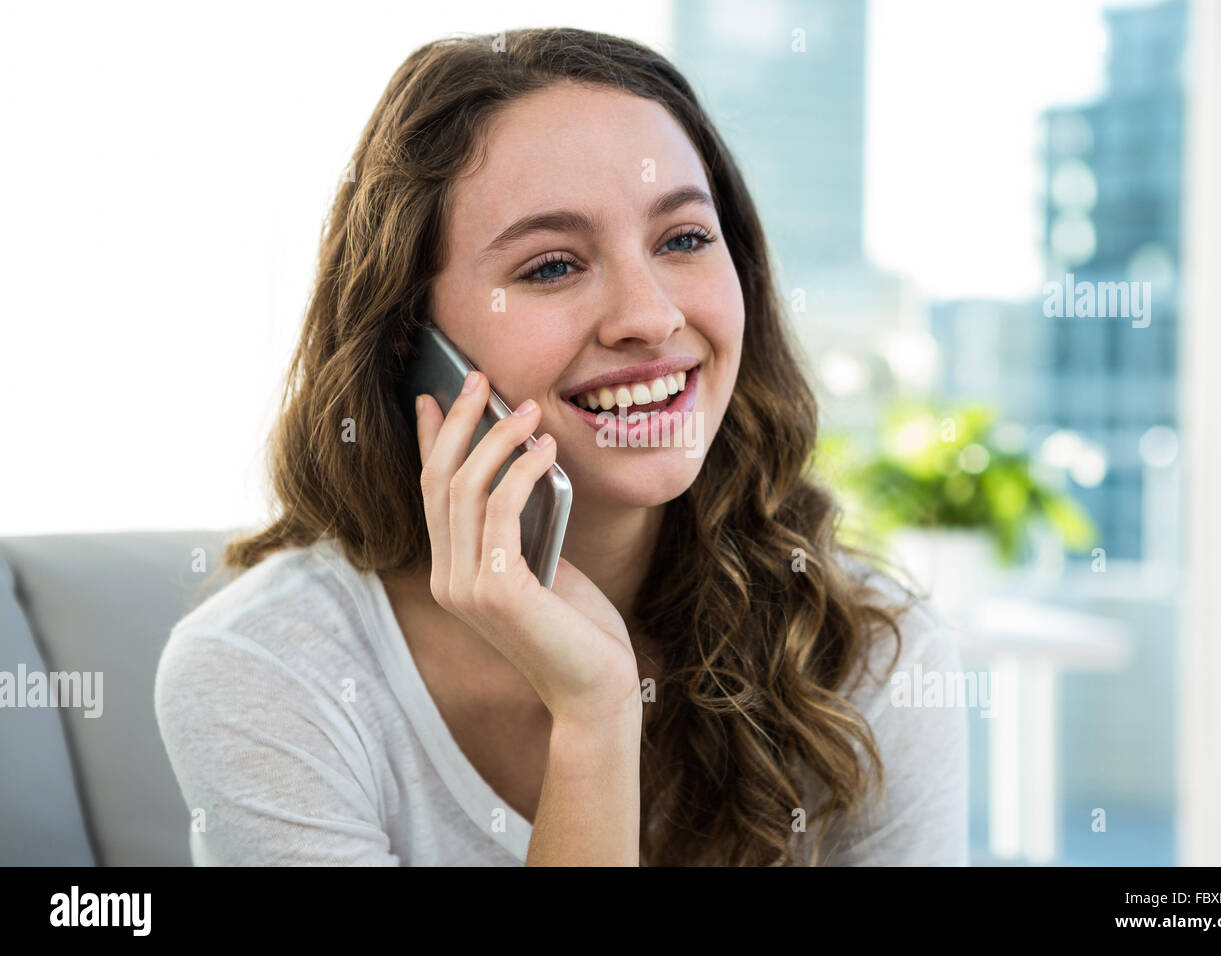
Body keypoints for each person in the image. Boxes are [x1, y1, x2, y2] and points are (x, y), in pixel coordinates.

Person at [154, 26, 969, 866]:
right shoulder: (268, 671)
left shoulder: (865, 649)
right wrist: (596, 716)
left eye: (683, 239)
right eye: (551, 267)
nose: (650, 317)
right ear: (410, 345)